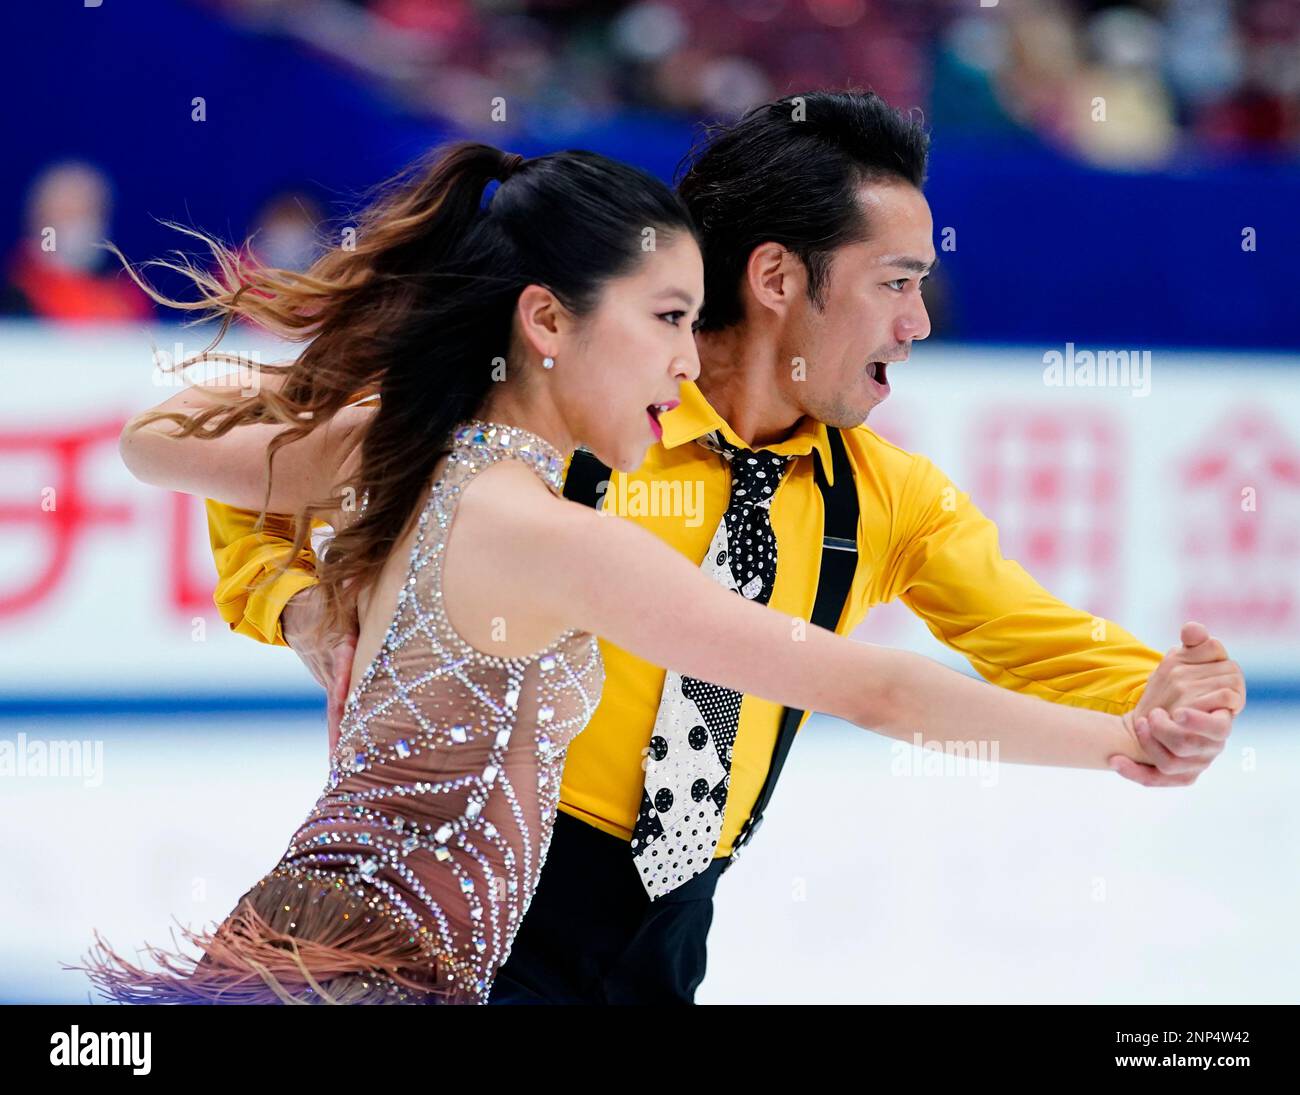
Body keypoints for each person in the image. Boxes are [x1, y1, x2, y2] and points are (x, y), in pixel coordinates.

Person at [120, 94, 1245, 1007]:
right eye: (895, 284)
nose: (920, 321)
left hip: (656, 938)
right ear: (776, 281)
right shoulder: (554, 454)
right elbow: (879, 689)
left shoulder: (885, 498)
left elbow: (1025, 636)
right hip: (447, 940)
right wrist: (301, 609)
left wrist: (1160, 700)